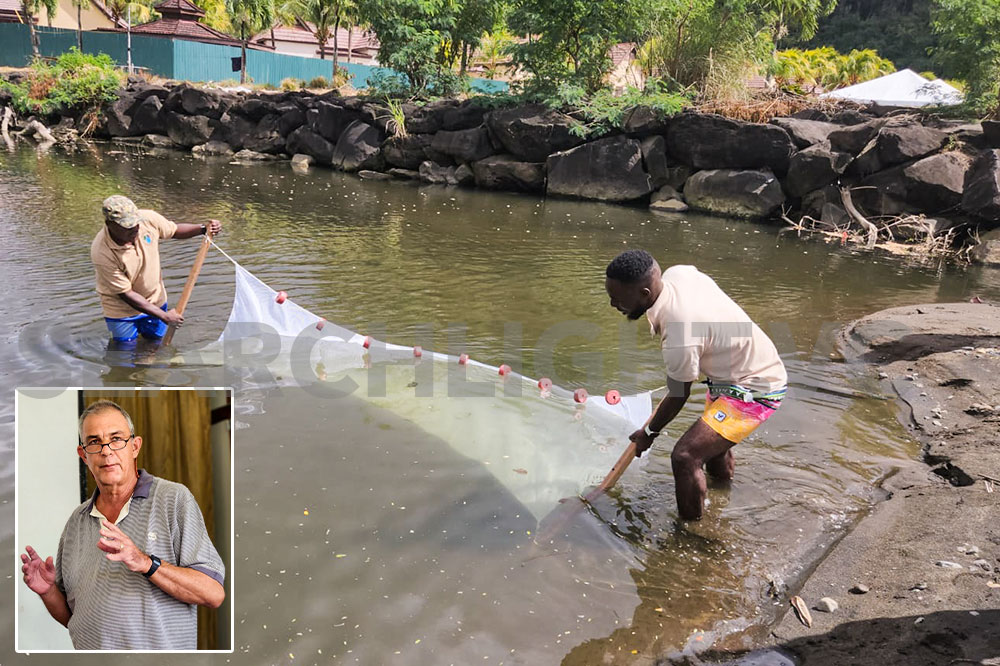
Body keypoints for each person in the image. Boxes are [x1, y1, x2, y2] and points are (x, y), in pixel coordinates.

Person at [19, 400, 225, 650]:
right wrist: (47, 591)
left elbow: (213, 593)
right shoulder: (76, 522)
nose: (106, 451)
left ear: (135, 446)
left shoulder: (173, 499)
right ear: (83, 455)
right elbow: (75, 619)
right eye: (94, 442)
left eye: (116, 439)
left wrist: (145, 563)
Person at [605, 250, 787, 520]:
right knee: (712, 451)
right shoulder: (678, 273)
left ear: (645, 293)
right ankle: (723, 497)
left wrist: (649, 433)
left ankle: (692, 531)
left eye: (618, 298)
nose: (612, 304)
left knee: (686, 456)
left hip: (755, 386)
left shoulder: (680, 332)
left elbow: (679, 393)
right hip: (731, 370)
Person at [91, 195, 222, 345]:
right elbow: (125, 294)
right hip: (121, 312)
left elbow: (174, 230)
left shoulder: (147, 219)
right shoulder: (102, 251)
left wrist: (203, 229)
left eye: (136, 224)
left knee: (156, 346)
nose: (135, 229)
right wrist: (165, 316)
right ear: (110, 224)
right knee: (124, 354)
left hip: (155, 300)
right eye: (127, 227)